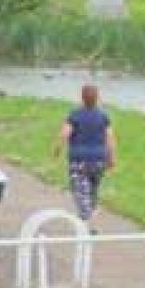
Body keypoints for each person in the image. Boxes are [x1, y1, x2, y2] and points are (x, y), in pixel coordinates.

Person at [55, 85, 117, 224]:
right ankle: (90, 217)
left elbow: (64, 134)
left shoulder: (74, 115)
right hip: (98, 161)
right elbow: (110, 139)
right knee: (93, 191)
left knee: (80, 191)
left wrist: (57, 150)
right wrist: (111, 158)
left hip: (79, 161)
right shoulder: (103, 117)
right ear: (97, 98)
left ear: (82, 97)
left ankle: (87, 220)